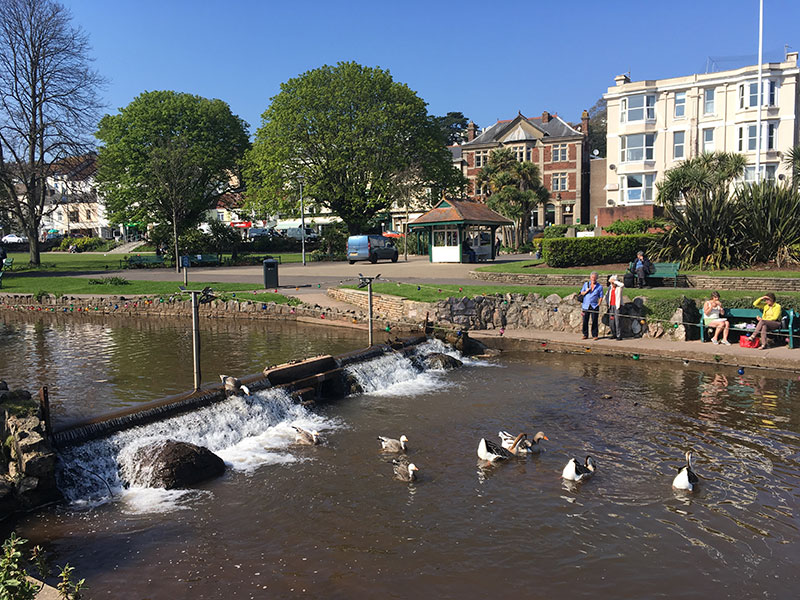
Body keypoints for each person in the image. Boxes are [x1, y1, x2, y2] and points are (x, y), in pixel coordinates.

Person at [578, 271, 604, 340]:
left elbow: (601, 296)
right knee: (585, 320)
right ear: (590, 278)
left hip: (594, 305)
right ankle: (585, 334)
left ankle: (595, 335)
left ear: (597, 278)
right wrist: (586, 291)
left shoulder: (599, 287)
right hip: (586, 305)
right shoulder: (586, 284)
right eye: (592, 277)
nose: (593, 279)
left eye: (595, 278)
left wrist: (599, 303)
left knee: (594, 320)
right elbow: (581, 293)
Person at [605, 274, 625, 340]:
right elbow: (607, 296)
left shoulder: (619, 288)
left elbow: (622, 285)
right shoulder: (610, 288)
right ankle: (613, 334)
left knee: (617, 321)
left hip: (617, 306)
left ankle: (619, 335)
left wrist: (615, 281)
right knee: (611, 321)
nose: (612, 284)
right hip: (611, 306)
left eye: (613, 283)